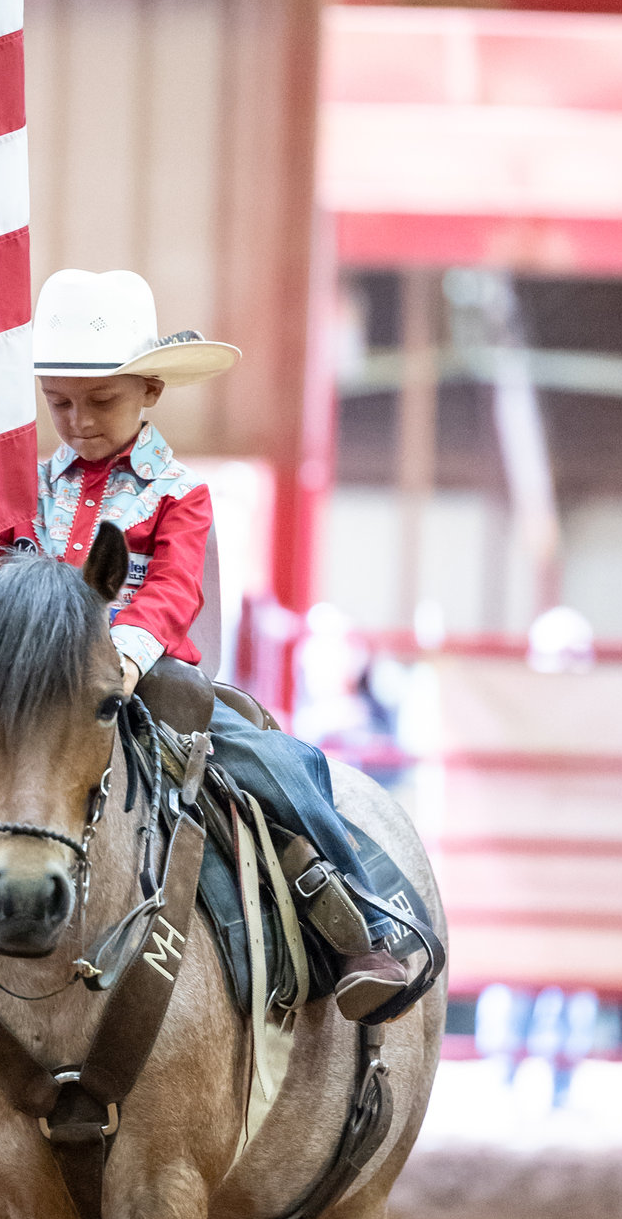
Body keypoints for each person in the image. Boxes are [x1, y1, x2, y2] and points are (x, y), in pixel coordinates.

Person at [26, 267, 426, 1023]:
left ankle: (359, 926)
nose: (78, 421)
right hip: (43, 686)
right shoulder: (32, 488)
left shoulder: (180, 493)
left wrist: (125, 653)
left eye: (100, 401)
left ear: (150, 393)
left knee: (276, 761)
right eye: (61, 404)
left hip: (147, 679)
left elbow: (176, 590)